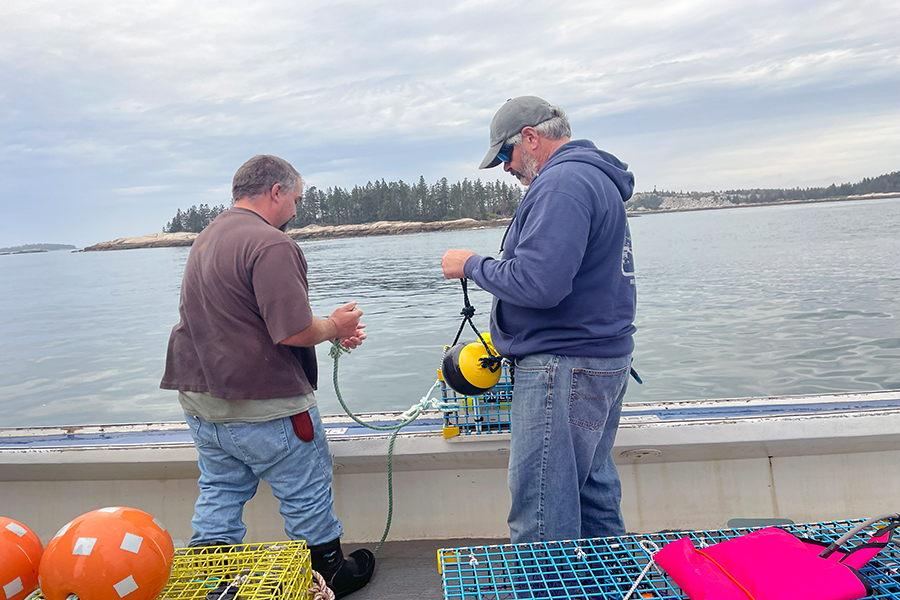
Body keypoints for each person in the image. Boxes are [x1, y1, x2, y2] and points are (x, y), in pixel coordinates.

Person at [160, 155, 375, 598]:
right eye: (295, 199)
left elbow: (242, 321)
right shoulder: (272, 244)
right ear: (276, 191)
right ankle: (329, 572)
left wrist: (328, 331)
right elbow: (293, 329)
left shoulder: (207, 238)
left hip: (203, 401)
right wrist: (336, 327)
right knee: (306, 492)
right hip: (268, 406)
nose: (296, 211)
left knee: (220, 489)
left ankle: (208, 581)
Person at [441, 96, 637, 544]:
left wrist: (472, 264)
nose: (506, 168)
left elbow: (540, 284)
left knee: (540, 510)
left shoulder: (562, 183)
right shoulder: (591, 177)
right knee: (591, 491)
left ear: (530, 137)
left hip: (562, 368)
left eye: (505, 155)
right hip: (600, 361)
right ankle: (614, 586)